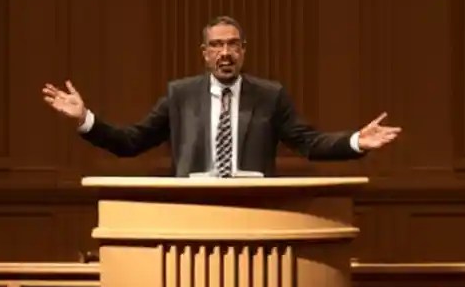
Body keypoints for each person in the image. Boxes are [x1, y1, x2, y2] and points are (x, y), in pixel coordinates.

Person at [40, 15, 400, 177]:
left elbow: (310, 143)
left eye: (231, 45)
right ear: (205, 52)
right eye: (216, 45)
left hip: (255, 217)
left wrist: (355, 141)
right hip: (193, 216)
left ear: (243, 51)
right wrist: (86, 119)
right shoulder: (180, 95)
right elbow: (131, 142)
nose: (224, 53)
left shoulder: (269, 96)